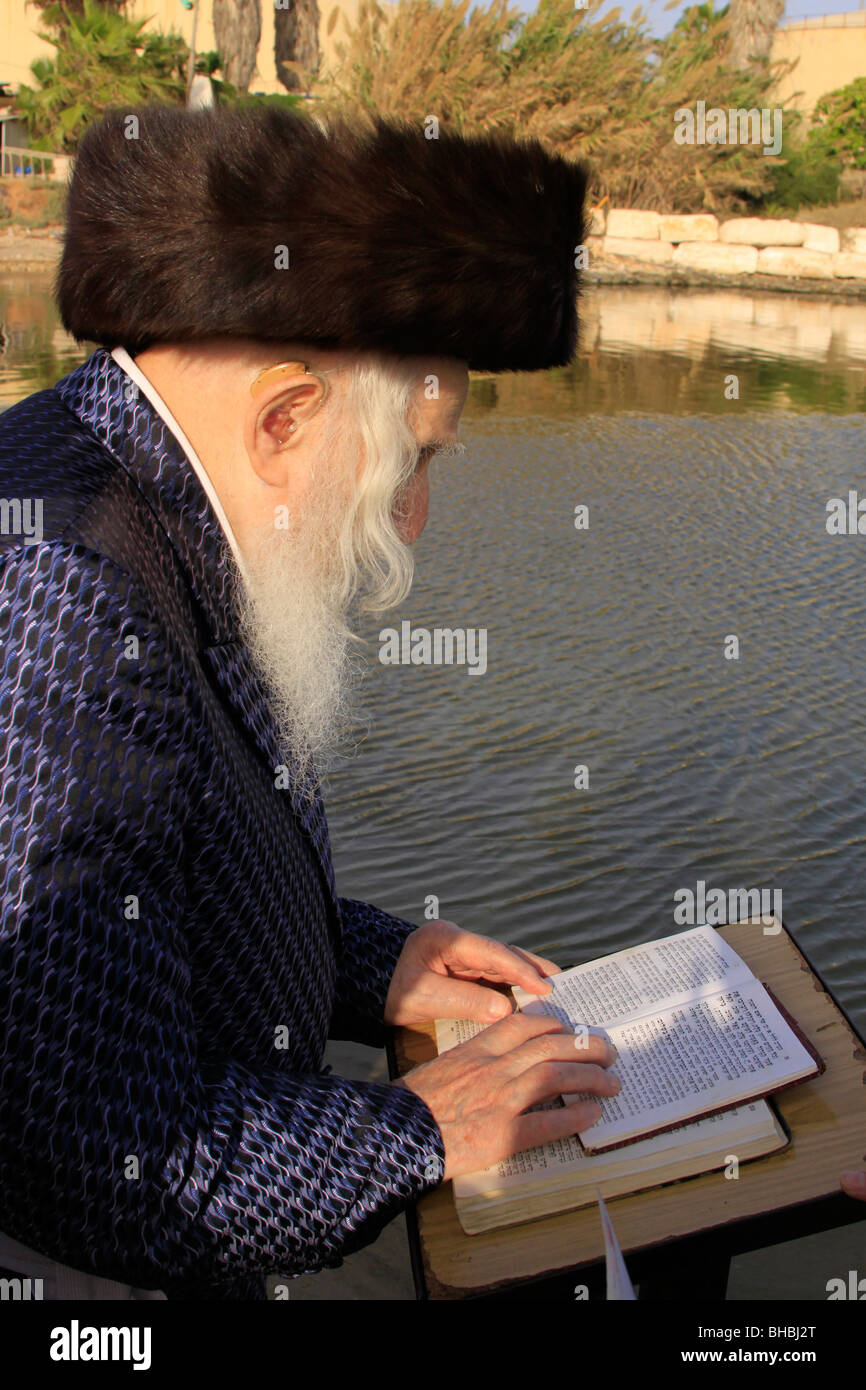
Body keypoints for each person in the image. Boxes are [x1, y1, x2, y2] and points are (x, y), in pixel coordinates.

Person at [0, 104, 618, 1299]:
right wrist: (421, 1127)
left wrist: (357, 957)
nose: (415, 520)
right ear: (284, 418)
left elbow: (148, 911)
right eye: (414, 460)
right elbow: (104, 1166)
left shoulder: (143, 480)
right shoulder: (53, 595)